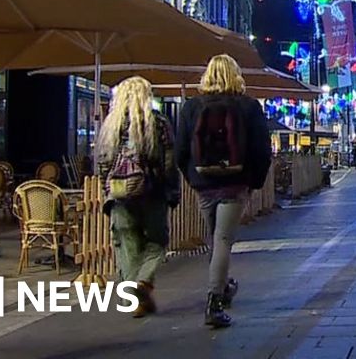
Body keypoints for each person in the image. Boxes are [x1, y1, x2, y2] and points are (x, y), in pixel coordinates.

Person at [177, 54, 271, 329]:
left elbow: (181, 151)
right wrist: (254, 182)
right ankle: (214, 300)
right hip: (235, 182)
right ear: (236, 75)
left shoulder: (192, 107)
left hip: (204, 184)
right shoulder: (248, 106)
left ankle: (223, 285)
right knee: (223, 240)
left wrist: (192, 178)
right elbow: (261, 150)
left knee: (215, 238)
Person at [95, 76, 180, 318]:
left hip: (120, 195)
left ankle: (134, 294)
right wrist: (172, 192)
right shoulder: (159, 123)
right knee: (157, 241)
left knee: (127, 245)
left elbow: (102, 163)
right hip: (152, 193)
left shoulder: (111, 125)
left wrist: (106, 192)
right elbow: (169, 164)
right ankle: (142, 283)